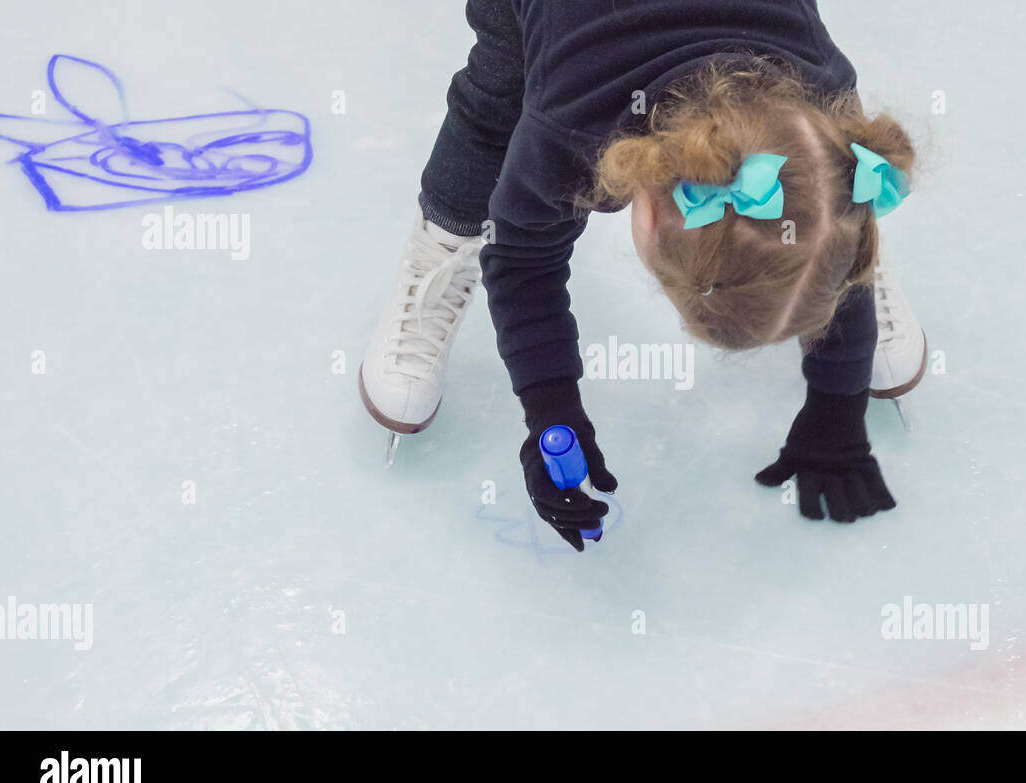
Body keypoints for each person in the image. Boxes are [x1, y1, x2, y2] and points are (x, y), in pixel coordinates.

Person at [359, 0, 926, 550]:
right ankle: (446, 234)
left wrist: (837, 404)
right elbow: (523, 255)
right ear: (646, 210)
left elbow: (823, 184)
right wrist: (550, 406)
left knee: (822, 191)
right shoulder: (569, 126)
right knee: (493, 109)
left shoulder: (826, 106)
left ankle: (819, 245)